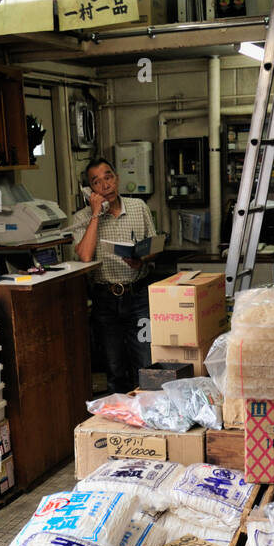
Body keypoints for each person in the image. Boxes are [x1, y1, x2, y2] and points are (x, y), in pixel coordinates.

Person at [72, 156, 158, 393]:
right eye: (96, 182)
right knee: (114, 366)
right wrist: (95, 214)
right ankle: (119, 420)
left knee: (146, 360)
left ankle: (149, 416)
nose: (105, 185)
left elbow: (153, 247)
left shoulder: (138, 207)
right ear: (90, 190)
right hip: (105, 298)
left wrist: (141, 258)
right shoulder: (81, 218)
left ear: (117, 178)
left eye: (108, 177)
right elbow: (85, 256)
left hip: (138, 294)